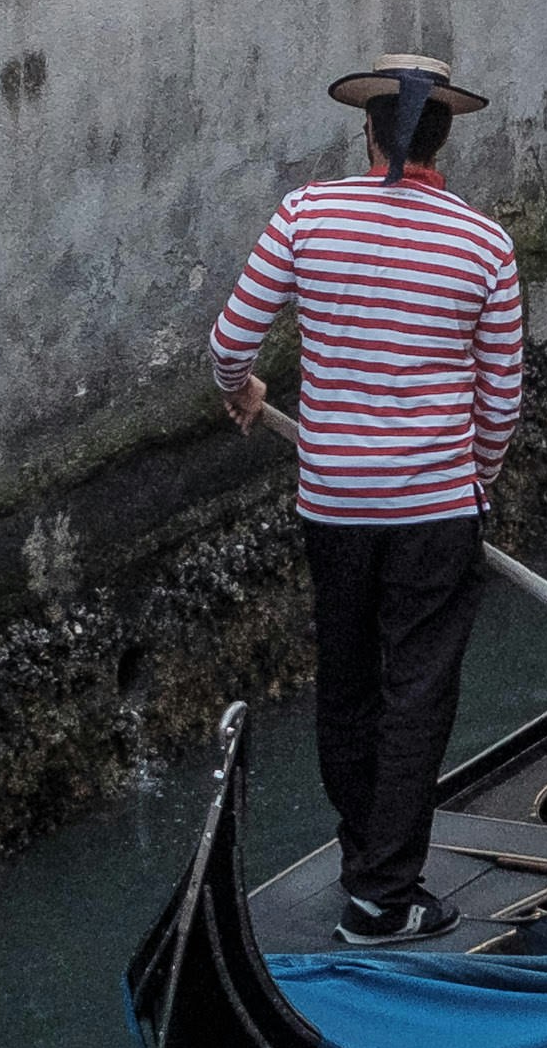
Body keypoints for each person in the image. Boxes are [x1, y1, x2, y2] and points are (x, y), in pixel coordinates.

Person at [211, 51, 521, 944]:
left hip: (334, 501)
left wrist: (243, 391)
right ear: (442, 133)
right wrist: (477, 483)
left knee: (346, 685)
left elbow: (231, 340)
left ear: (369, 133)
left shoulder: (309, 212)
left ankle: (365, 865)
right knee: (416, 691)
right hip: (434, 509)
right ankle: (384, 894)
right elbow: (498, 402)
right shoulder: (482, 244)